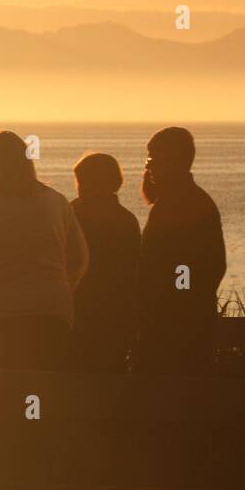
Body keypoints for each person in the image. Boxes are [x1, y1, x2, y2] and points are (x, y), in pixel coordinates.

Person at [0, 130, 89, 369]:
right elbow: (79, 258)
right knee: (44, 388)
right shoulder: (56, 202)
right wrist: (59, 288)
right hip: (51, 314)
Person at [137, 127, 226, 374]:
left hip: (174, 325)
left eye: (152, 159)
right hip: (190, 320)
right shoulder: (189, 200)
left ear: (172, 161)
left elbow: (161, 264)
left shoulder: (178, 204)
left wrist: (167, 301)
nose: (148, 167)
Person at [70, 152, 142, 369]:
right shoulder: (127, 219)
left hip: (80, 312)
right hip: (117, 314)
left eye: (81, 181)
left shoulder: (74, 215)